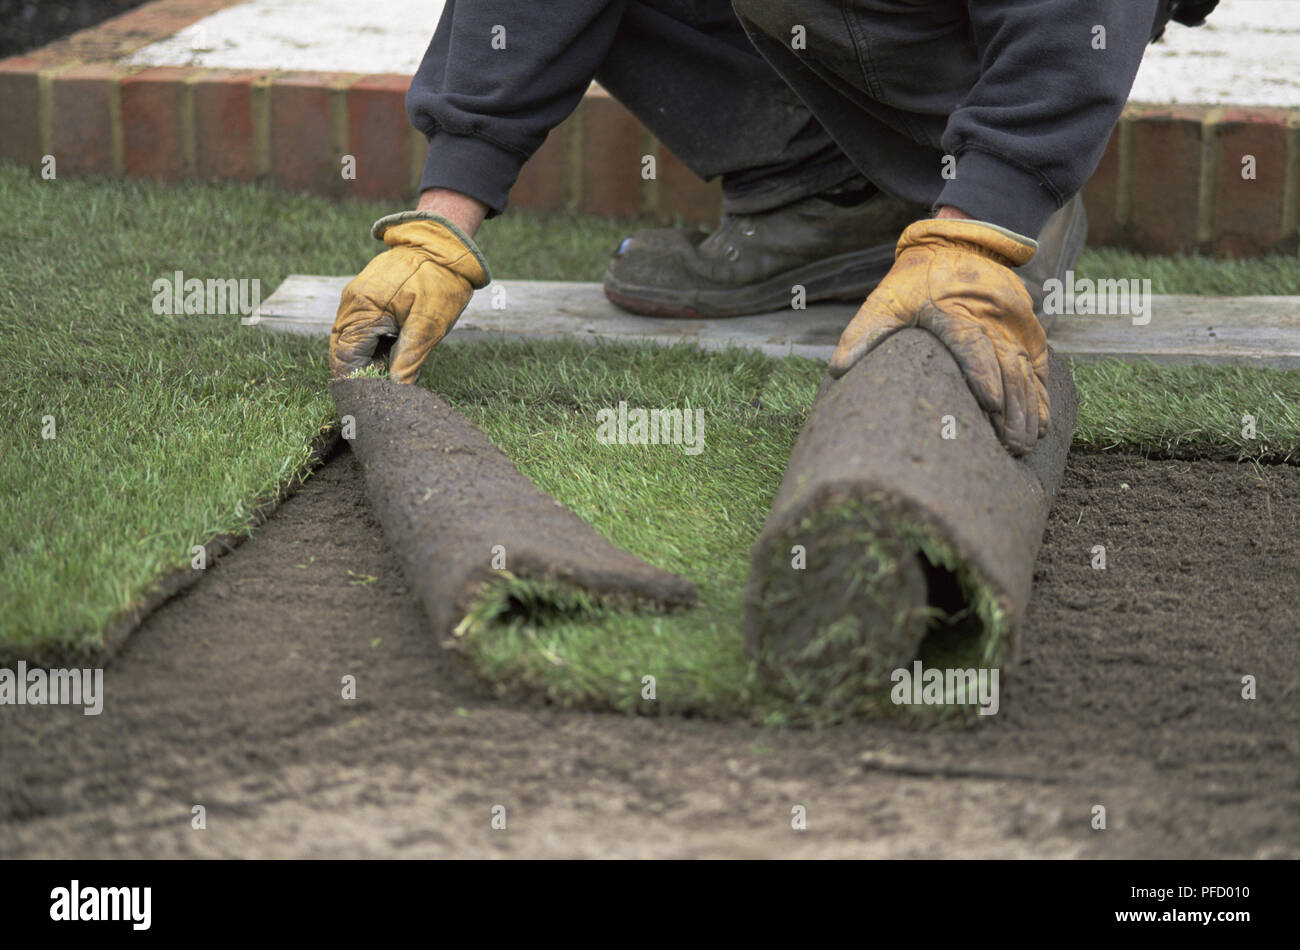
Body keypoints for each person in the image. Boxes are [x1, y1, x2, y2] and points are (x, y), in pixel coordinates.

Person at [329, 0, 1216, 455]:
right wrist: (443, 214)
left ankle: (974, 203)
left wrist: (989, 216)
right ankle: (828, 204)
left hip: (993, 65)